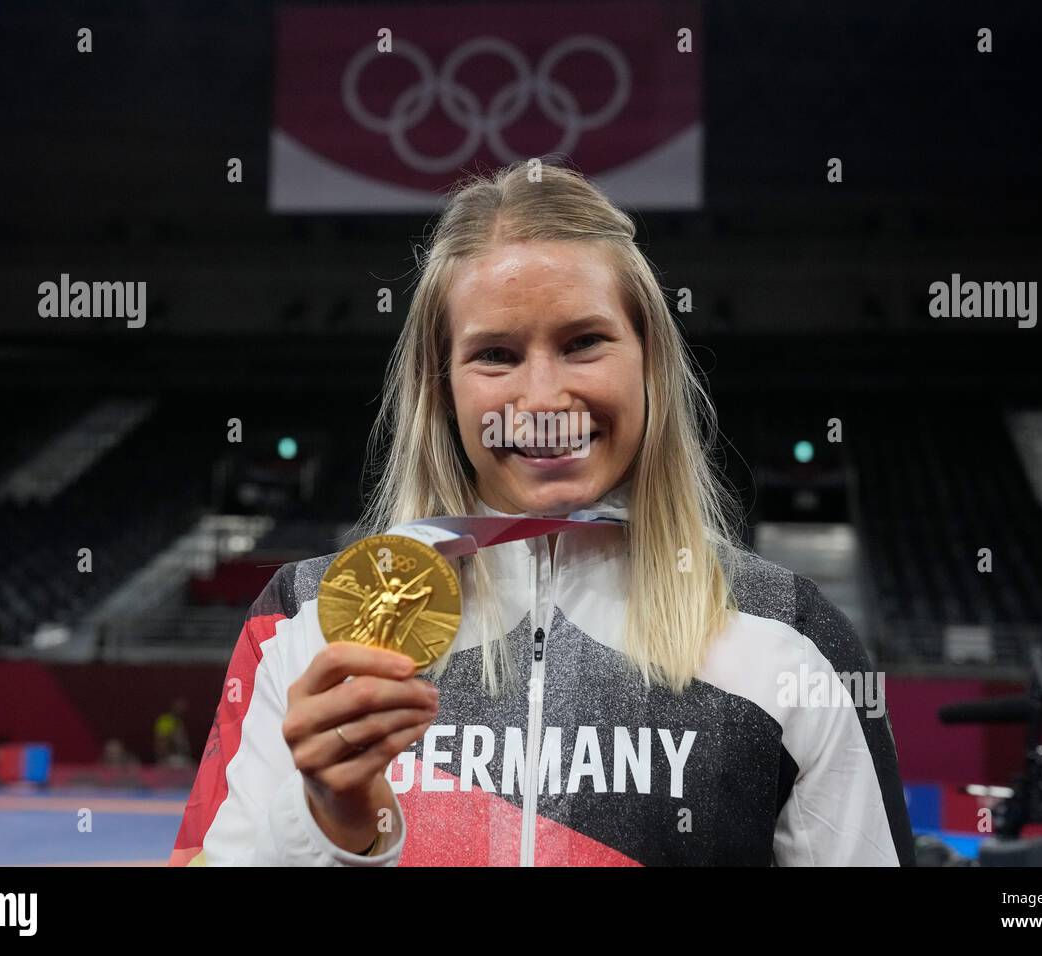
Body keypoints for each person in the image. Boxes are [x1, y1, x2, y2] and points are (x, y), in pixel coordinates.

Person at [169, 162, 915, 866]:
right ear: (445, 387)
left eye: (583, 342)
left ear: (648, 359)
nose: (543, 398)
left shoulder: (791, 635)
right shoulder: (303, 624)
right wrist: (329, 825)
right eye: (495, 354)